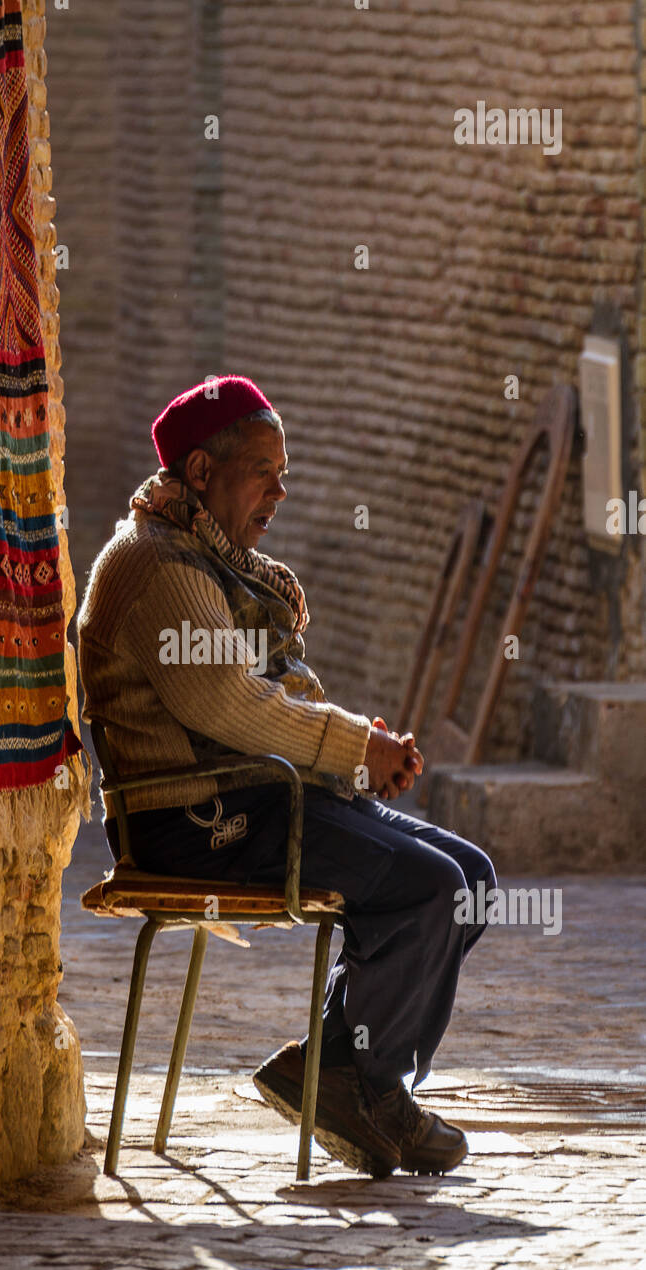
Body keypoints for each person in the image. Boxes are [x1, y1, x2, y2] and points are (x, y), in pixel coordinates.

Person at [77, 375, 497, 1177]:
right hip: (196, 818)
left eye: (285, 473)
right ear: (200, 474)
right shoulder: (154, 563)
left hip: (261, 793)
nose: (279, 490)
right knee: (432, 887)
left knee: (468, 876)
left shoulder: (207, 555)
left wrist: (355, 750)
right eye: (262, 471)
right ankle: (360, 1085)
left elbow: (257, 698)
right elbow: (230, 706)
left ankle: (341, 1070)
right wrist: (350, 749)